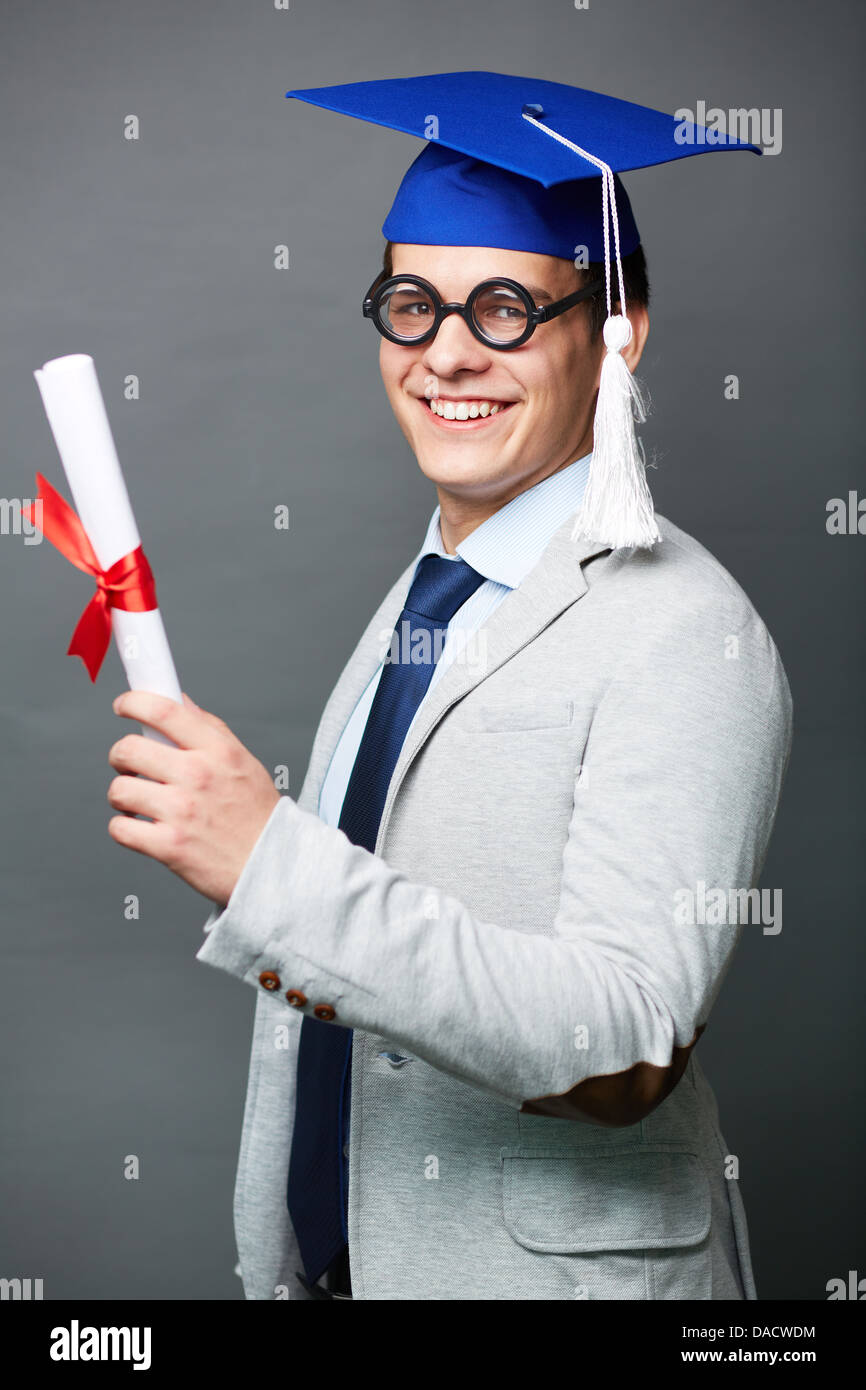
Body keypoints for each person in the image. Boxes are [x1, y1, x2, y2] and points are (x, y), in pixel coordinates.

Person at [107, 73, 793, 1300]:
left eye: (505, 309)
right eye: (410, 304)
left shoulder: (688, 630)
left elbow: (624, 1040)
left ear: (617, 331)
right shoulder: (431, 591)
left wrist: (270, 863)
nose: (447, 354)